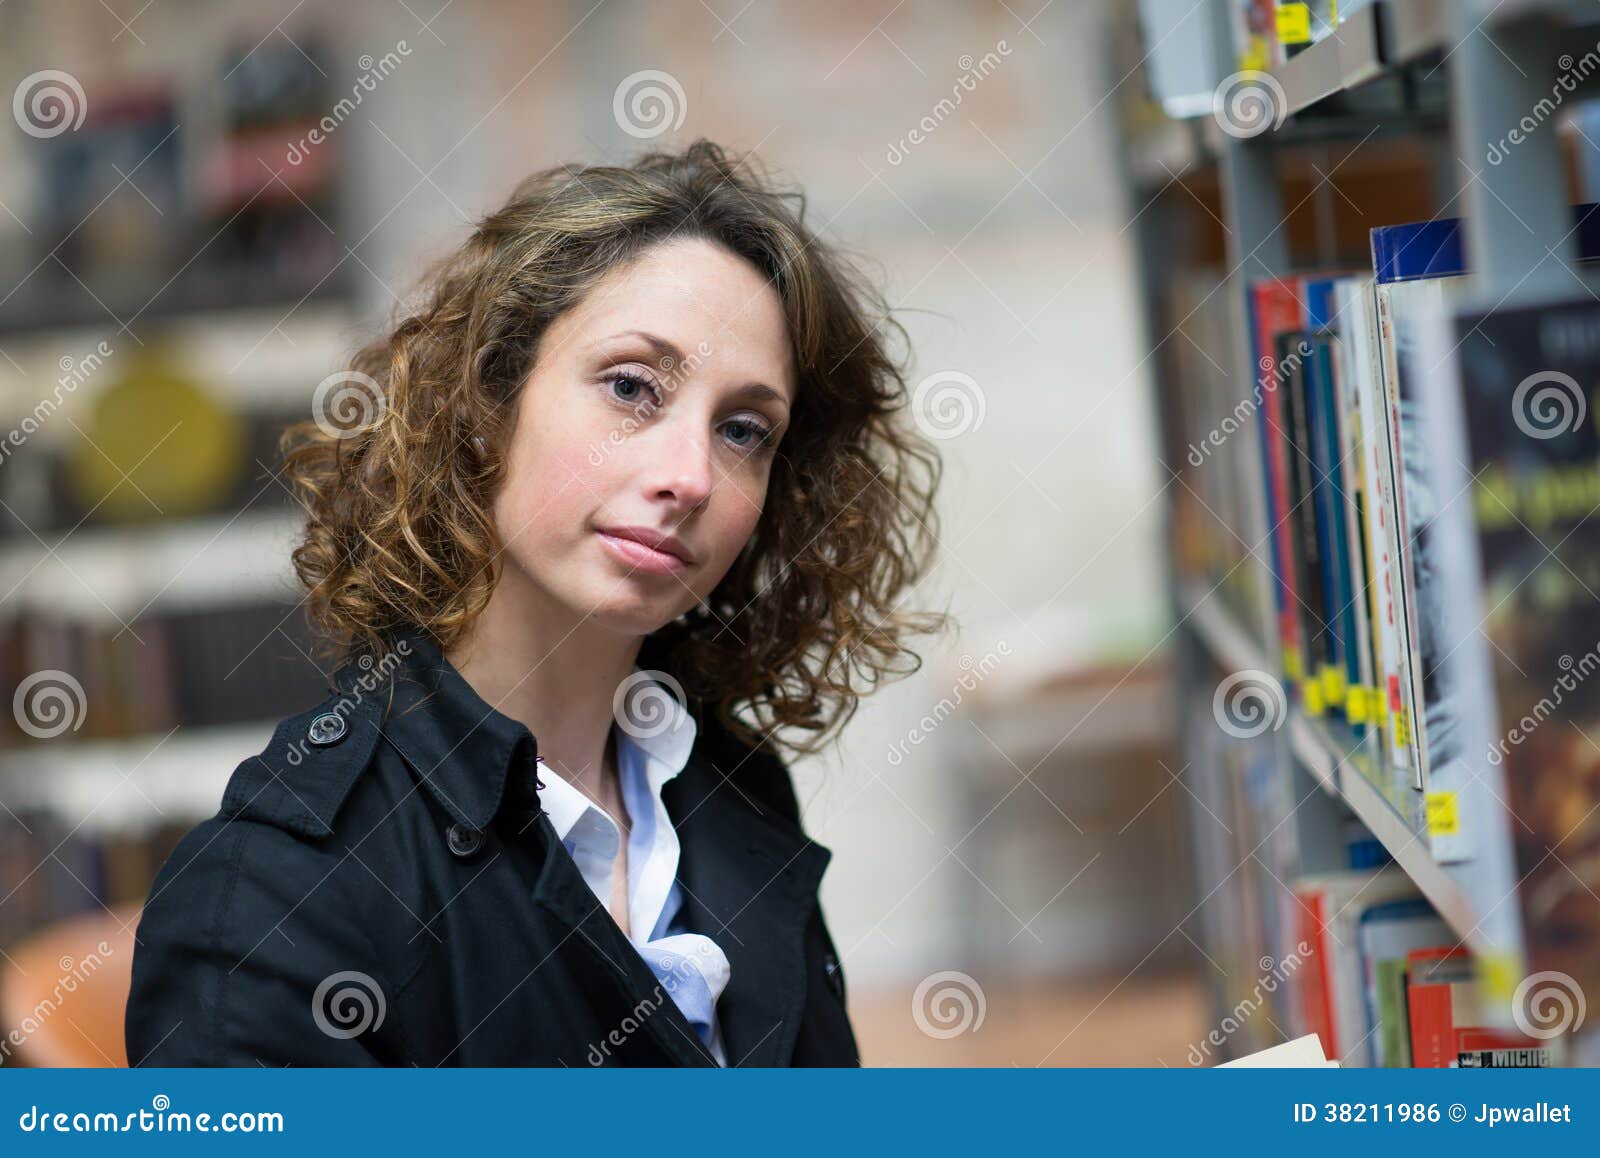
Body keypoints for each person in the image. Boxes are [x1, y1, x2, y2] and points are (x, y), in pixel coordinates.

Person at [124, 138, 950, 1067]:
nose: (689, 476)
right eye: (632, 386)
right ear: (484, 401)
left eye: (744, 430)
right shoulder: (276, 890)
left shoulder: (729, 785)